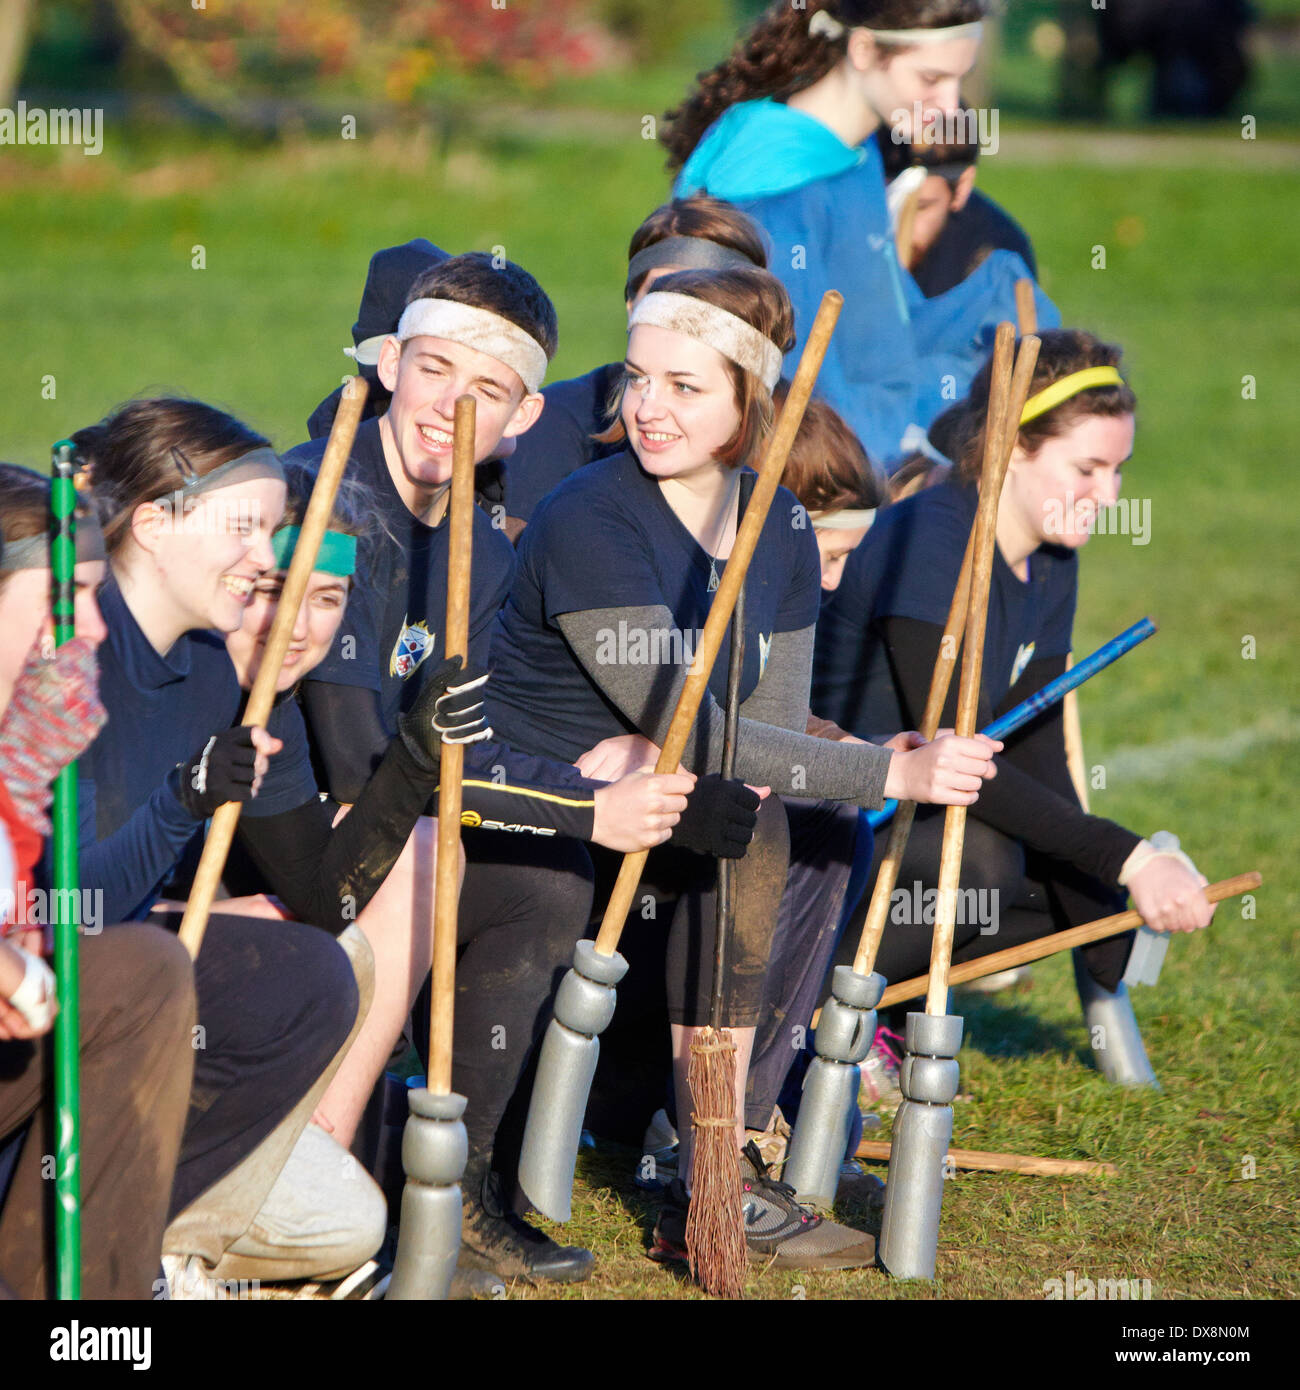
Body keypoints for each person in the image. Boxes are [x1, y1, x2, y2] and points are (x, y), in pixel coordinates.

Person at [484, 264, 1000, 1269]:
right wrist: (895, 779)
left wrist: (864, 761)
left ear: (748, 400)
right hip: (549, 795)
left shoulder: (783, 523)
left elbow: (765, 729)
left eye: (685, 386)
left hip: (678, 795)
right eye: (637, 377)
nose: (647, 407)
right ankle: (704, 1167)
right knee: (752, 814)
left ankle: (721, 1139)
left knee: (811, 825)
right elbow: (691, 729)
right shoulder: (589, 515)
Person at [286, 251, 755, 1285]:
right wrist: (590, 805)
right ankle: (319, 1174)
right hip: (281, 839)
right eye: (433, 369)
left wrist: (619, 796)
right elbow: (374, 769)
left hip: (393, 827)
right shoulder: (320, 503)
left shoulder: (482, 551)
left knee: (541, 877)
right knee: (445, 847)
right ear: (388, 366)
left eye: (485, 389)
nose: (449, 406)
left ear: (526, 415)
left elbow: (468, 747)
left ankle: (458, 1184)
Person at [813, 329, 1216, 1067]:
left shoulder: (1052, 556)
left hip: (922, 818)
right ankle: (818, 1015)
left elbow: (1032, 741)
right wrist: (1128, 859)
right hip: (825, 822)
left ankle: (882, 1004)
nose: (1111, 495)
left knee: (1051, 898)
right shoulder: (936, 542)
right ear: (1013, 447)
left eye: (1119, 470)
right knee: (986, 866)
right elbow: (954, 748)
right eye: (1089, 468)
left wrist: (1105, 899)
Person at [60, 399, 375, 1297]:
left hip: (121, 990)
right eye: (250, 530)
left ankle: (142, 1228)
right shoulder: (71, 651)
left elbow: (325, 897)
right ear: (153, 524)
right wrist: (180, 801)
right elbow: (69, 910)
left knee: (314, 977)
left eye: (275, 531)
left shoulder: (207, 679)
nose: (264, 559)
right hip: (44, 986)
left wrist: (423, 756)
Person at [662, 0, 1058, 468]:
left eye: (959, 81)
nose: (951, 107)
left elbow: (881, 332)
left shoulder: (856, 153)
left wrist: (1001, 309)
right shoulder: (774, 188)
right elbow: (801, 397)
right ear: (865, 49)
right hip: (816, 476)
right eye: (931, 80)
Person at [0, 464, 197, 1299]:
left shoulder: (24, 748)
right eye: (66, 595)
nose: (94, 625)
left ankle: (79, 1311)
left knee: (143, 973)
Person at [504, 194, 771, 530]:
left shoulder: (793, 433)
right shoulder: (555, 424)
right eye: (663, 296)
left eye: (708, 303)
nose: (681, 320)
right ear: (632, 306)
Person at [879, 113, 1039, 297]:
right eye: (888, 200)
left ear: (962, 186)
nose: (899, 224)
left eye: (921, 207)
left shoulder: (998, 250)